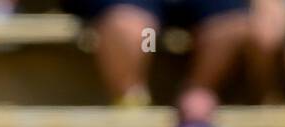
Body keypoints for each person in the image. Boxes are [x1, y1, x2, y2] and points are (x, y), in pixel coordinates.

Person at [58, 0, 249, 105]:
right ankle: (132, 100)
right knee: (138, 31)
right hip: (139, 20)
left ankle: (196, 96)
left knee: (233, 22)